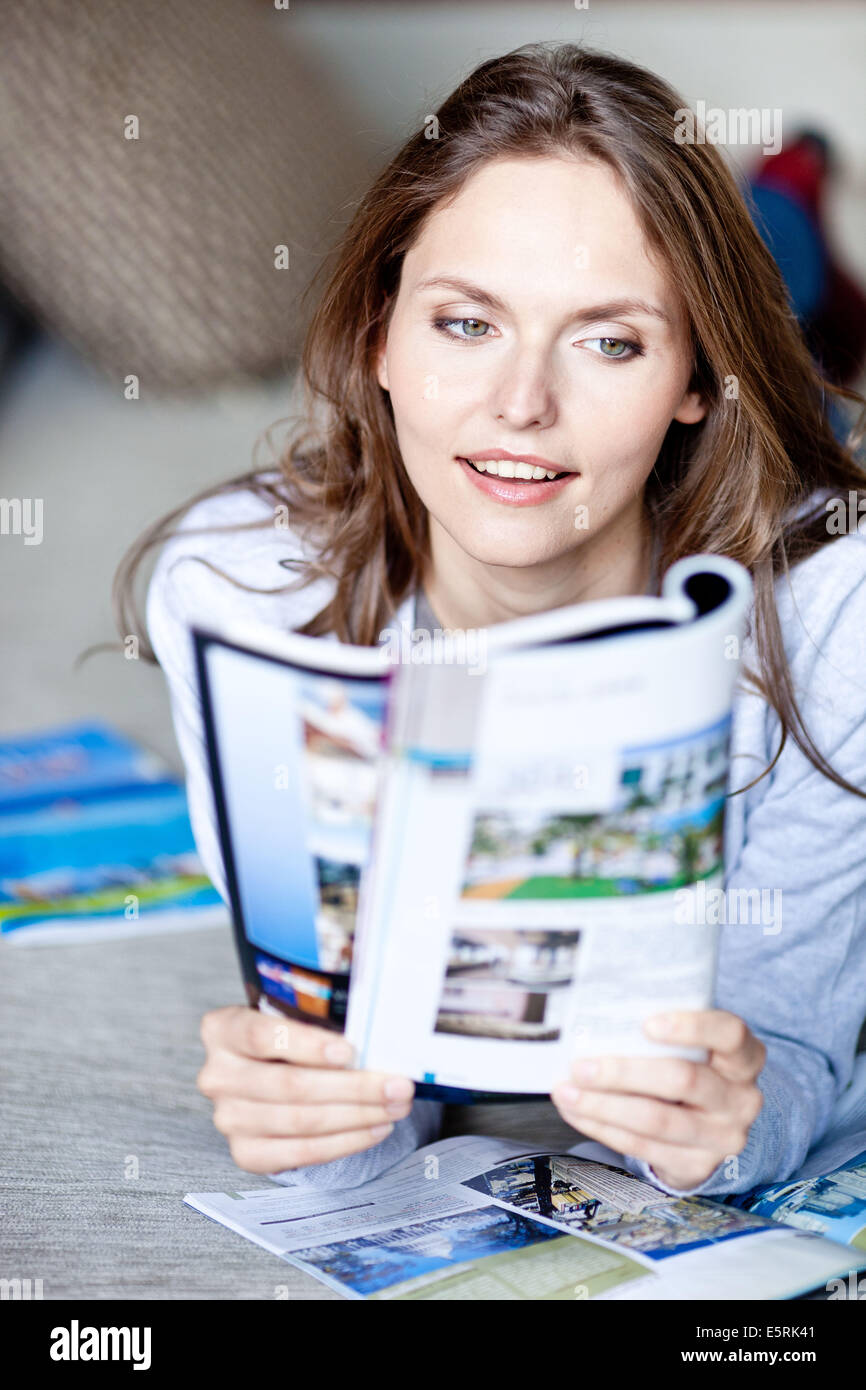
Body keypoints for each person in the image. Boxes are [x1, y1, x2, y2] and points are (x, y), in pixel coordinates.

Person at [119, 43, 866, 1200]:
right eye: (465, 324)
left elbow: (796, 1060)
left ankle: (787, 206)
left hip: (750, 463)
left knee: (796, 324)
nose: (520, 405)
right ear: (380, 336)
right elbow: (352, 1098)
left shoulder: (834, 616)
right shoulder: (234, 593)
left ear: (689, 374)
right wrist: (314, 1112)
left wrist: (725, 1124)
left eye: (608, 339)